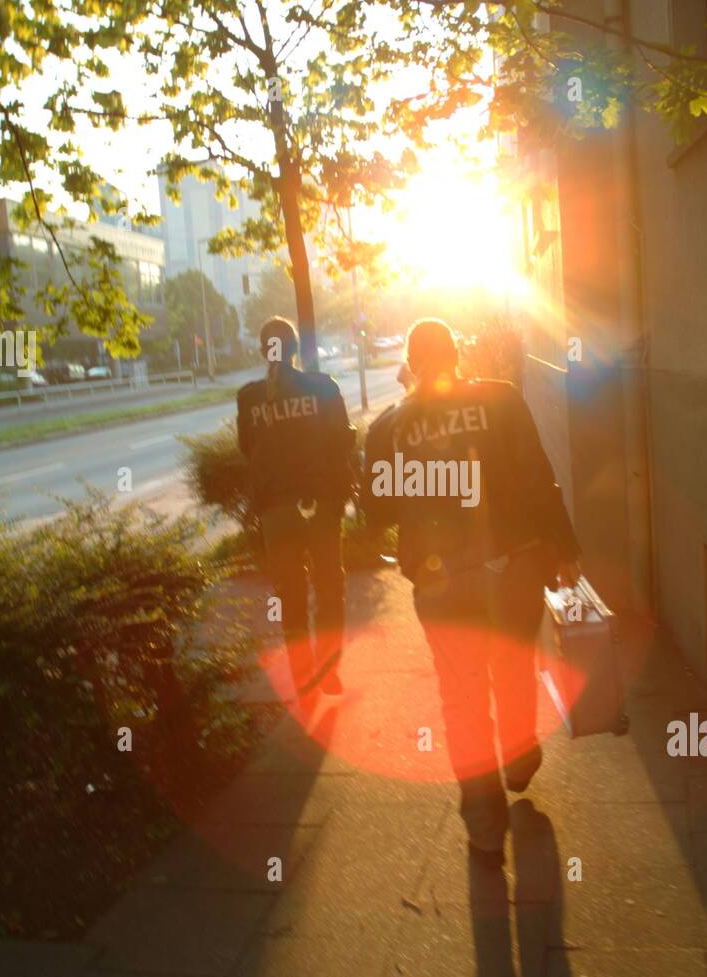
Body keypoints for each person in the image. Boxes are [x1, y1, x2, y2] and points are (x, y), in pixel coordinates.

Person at [364, 317, 581, 865]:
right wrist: (564, 550)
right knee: (511, 667)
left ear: (410, 366)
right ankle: (519, 753)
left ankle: (485, 826)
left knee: (460, 699)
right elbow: (538, 477)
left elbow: (377, 512)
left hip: (441, 583)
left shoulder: (390, 426)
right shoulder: (502, 400)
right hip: (512, 570)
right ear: (457, 355)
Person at [237, 317, 355, 697]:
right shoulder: (322, 387)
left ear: (262, 351)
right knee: (328, 586)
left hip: (275, 511)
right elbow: (343, 441)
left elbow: (247, 448)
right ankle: (329, 669)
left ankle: (302, 674)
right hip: (320, 505)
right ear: (295, 349)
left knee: (289, 592)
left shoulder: (249, 398)